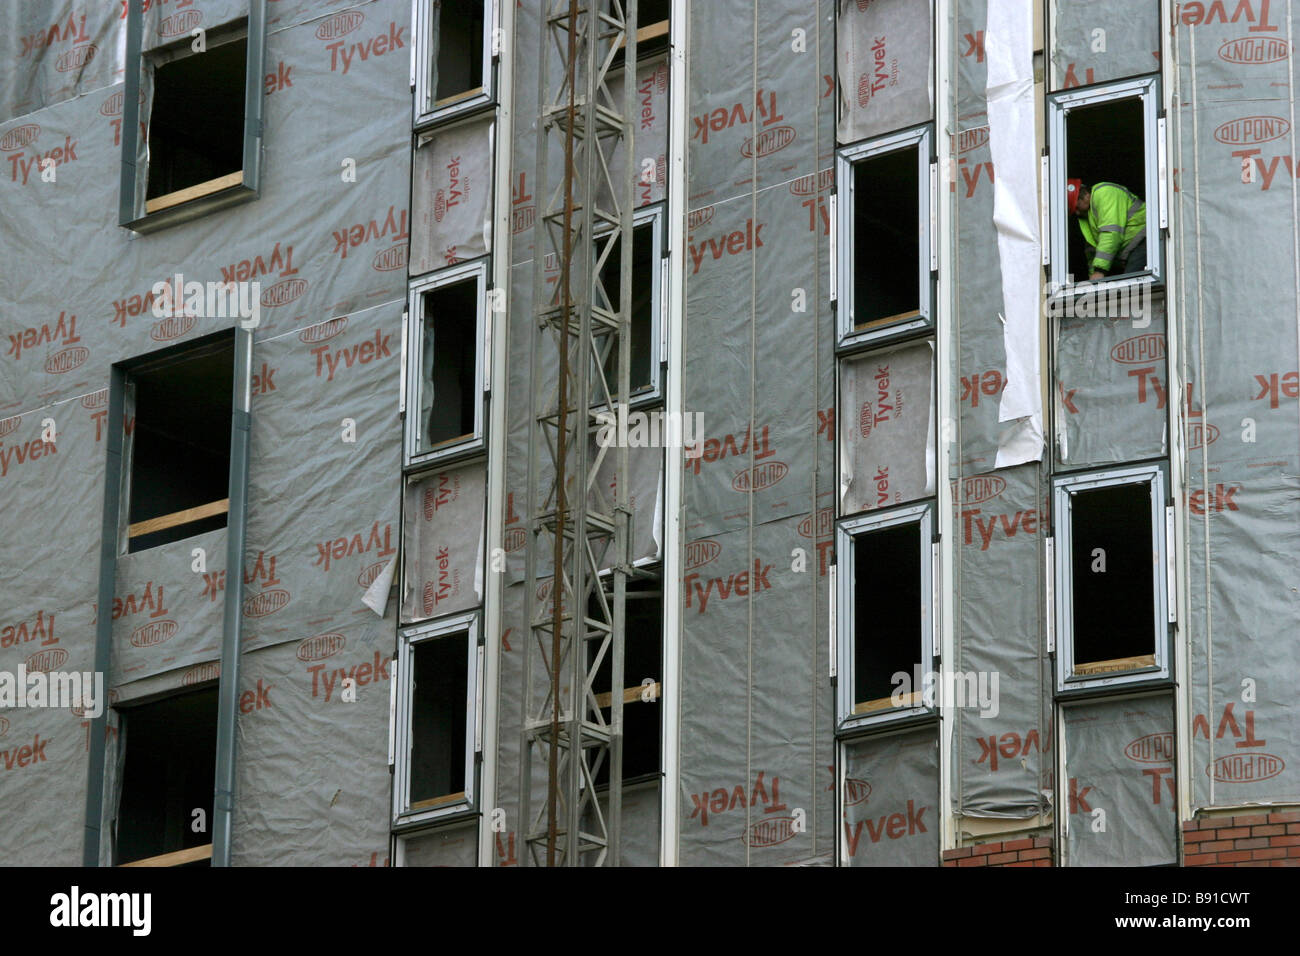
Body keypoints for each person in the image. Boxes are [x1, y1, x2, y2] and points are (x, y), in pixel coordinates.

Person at [1066, 178, 1146, 280]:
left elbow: (1111, 234)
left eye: (1077, 207)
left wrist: (1099, 270)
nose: (1077, 213)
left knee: (1130, 288)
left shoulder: (1104, 193)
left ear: (1086, 195)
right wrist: (1093, 277)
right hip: (1131, 252)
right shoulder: (1086, 217)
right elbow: (1092, 251)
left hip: (1145, 241)